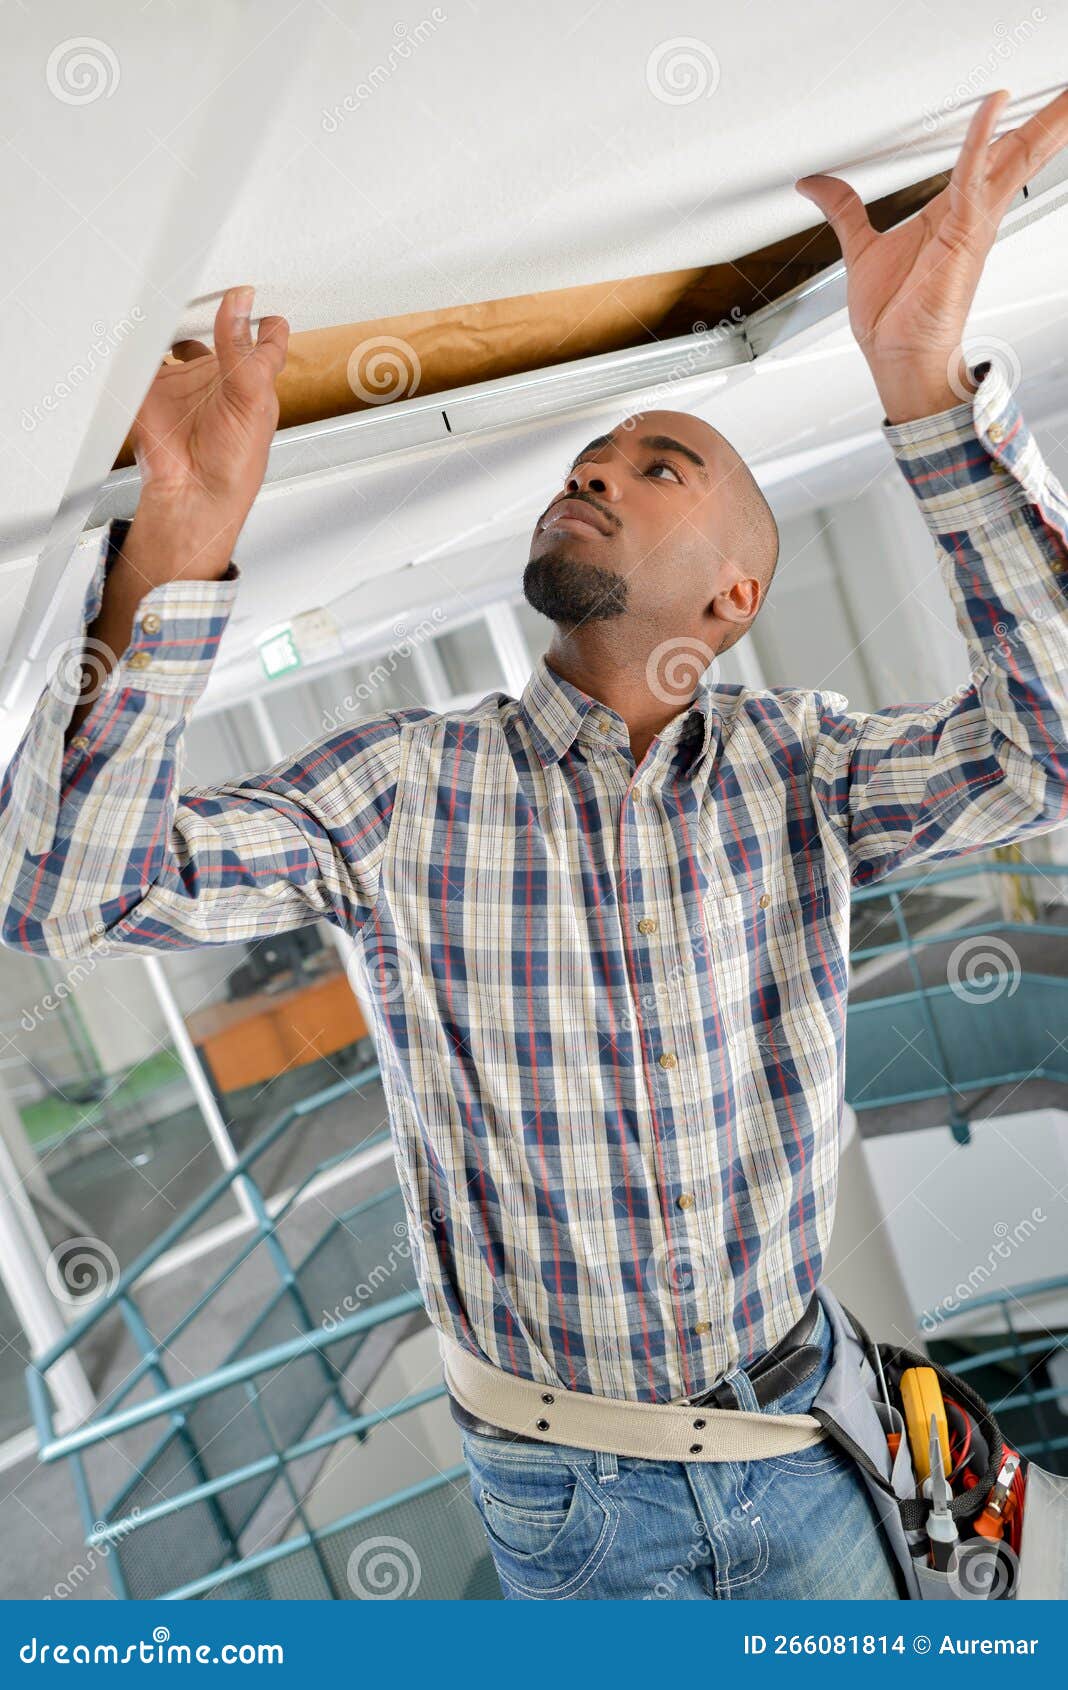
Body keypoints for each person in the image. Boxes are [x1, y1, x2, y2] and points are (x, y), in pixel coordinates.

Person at [3, 88, 1067, 1600]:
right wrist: (177, 538)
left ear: (730, 602)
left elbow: (1055, 749)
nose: (594, 471)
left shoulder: (803, 771)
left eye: (657, 466)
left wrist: (923, 390)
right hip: (573, 1504)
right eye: (591, 459)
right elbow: (61, 900)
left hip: (808, 1445)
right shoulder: (402, 791)